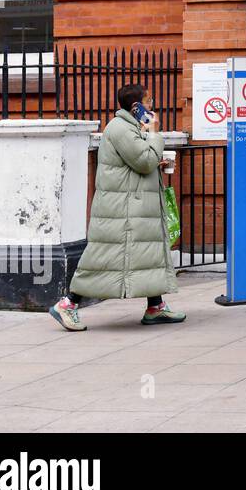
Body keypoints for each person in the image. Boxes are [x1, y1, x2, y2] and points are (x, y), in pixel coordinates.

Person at [50, 84, 184, 331]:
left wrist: (156, 157)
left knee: (146, 256)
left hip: (132, 208)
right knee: (102, 258)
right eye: (149, 100)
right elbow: (143, 161)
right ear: (137, 107)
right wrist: (154, 133)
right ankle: (67, 304)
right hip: (121, 211)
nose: (153, 105)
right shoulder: (120, 128)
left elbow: (140, 160)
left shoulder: (130, 127)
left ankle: (155, 306)